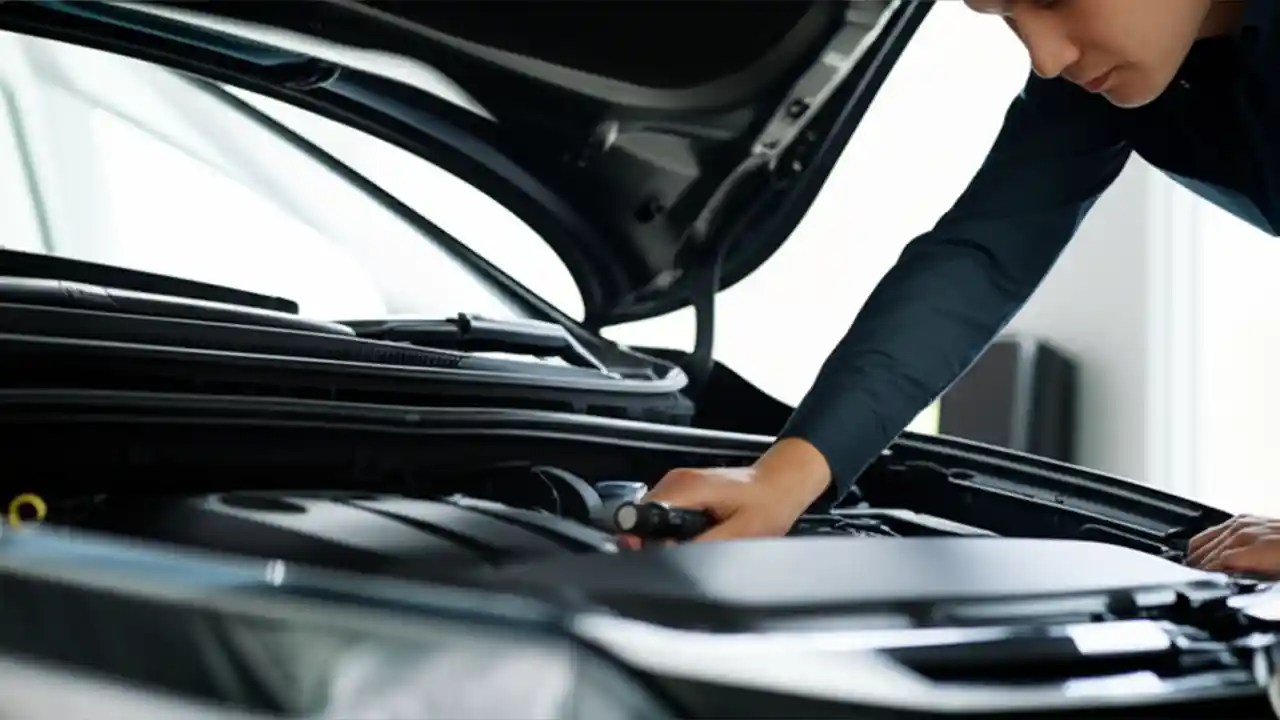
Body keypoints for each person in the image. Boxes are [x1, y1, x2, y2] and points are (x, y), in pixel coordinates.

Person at [632, 0, 1280, 577]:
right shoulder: (1095, 83)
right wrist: (780, 478)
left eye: (1052, 0)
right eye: (1005, 16)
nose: (1047, 58)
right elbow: (984, 254)